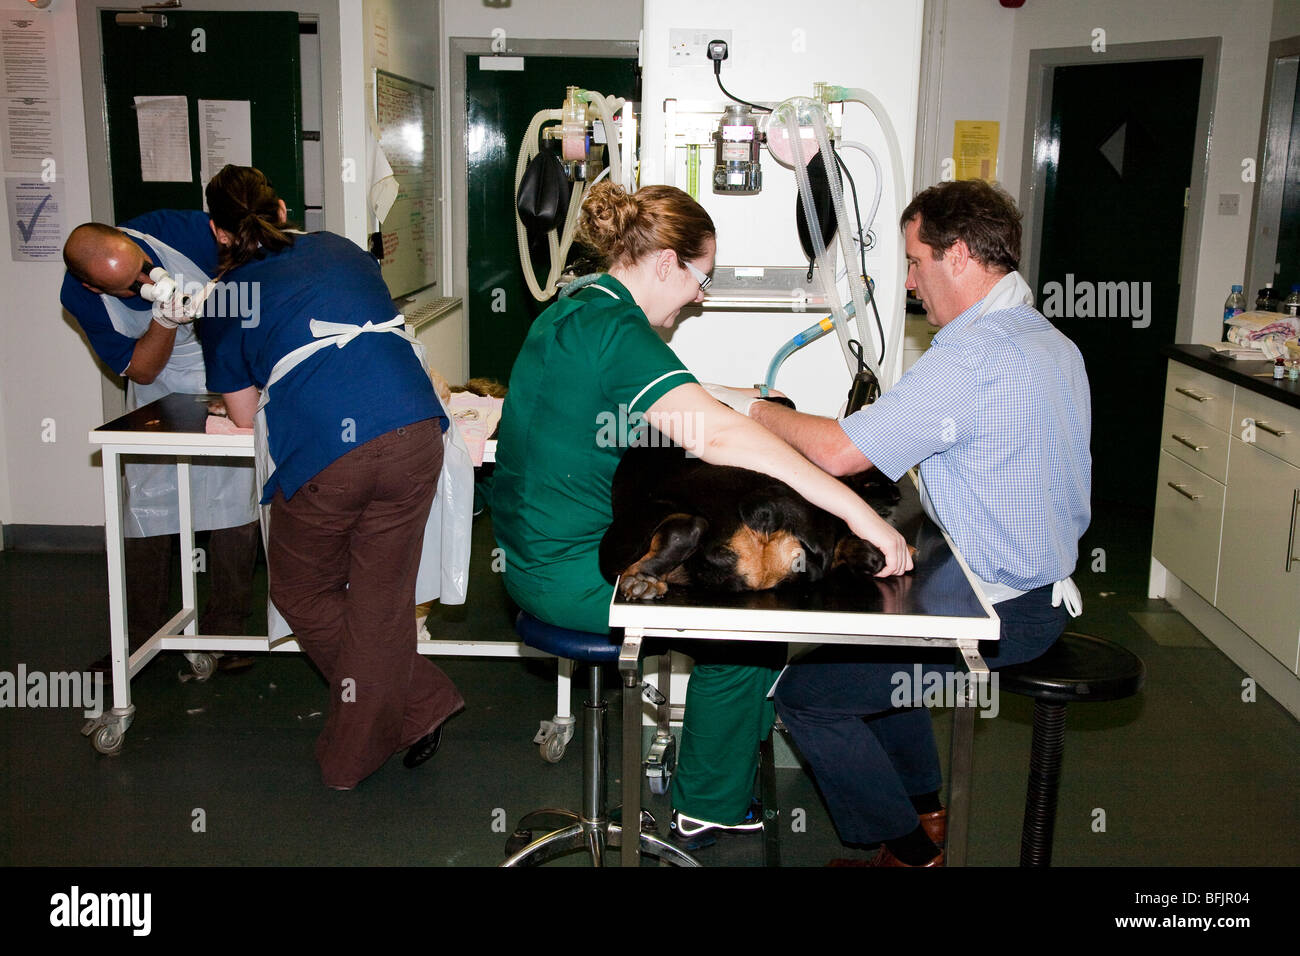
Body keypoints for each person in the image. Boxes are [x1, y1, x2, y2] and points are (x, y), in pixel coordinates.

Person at [490, 181, 912, 844]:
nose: (700, 294)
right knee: (751, 631)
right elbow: (711, 436)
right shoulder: (619, 329)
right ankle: (706, 805)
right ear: (665, 263)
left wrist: (739, 396)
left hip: (523, 559)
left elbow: (654, 391)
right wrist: (858, 513)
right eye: (699, 277)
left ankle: (703, 782)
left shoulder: (573, 308)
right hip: (579, 578)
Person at [713, 178, 1091, 865]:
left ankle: (911, 853)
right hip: (1039, 591)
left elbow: (839, 450)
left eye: (916, 261)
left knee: (808, 696)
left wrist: (749, 406)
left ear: (962, 256)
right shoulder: (1049, 342)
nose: (911, 283)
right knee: (883, 651)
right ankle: (927, 807)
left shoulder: (973, 355)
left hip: (1002, 613)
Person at [197, 165, 463, 790]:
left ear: (218, 232)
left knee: (299, 588)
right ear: (284, 208)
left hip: (330, 452)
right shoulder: (340, 248)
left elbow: (241, 413)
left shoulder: (225, 297)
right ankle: (416, 703)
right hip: (417, 428)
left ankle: (376, 737)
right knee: (381, 599)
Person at [62, 214, 260, 669]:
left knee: (235, 505)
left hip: (227, 375)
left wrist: (223, 301)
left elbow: (260, 288)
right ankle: (143, 639)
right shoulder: (80, 298)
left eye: (142, 269)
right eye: (127, 285)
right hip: (160, 387)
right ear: (95, 287)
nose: (144, 281)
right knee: (148, 507)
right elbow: (143, 369)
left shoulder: (183, 232)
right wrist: (165, 321)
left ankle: (226, 633)